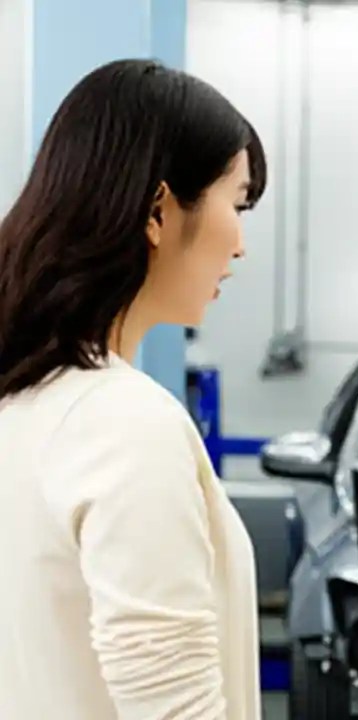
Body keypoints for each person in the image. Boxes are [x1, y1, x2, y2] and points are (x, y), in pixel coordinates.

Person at [0, 59, 267, 719]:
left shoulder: (25, 401)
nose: (240, 247)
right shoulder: (120, 420)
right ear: (158, 211)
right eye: (235, 203)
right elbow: (173, 706)